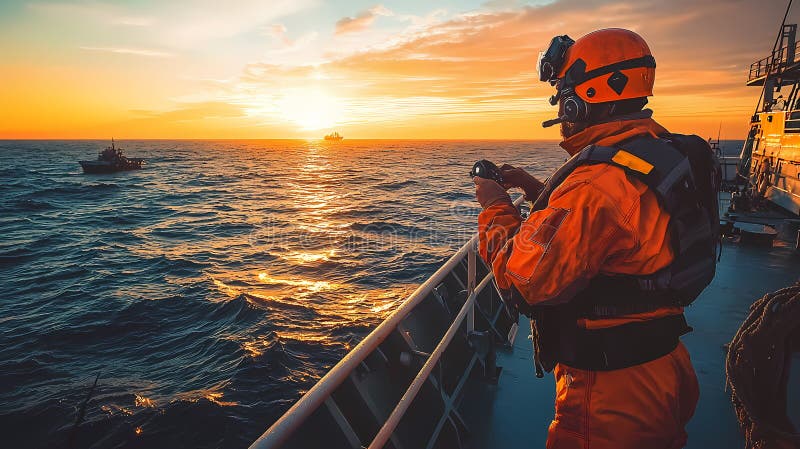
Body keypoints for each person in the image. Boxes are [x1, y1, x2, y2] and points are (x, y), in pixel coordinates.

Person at [473, 28, 720, 449]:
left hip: (610, 394)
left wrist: (495, 205)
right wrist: (538, 189)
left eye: (563, 94)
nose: (561, 108)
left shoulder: (597, 184)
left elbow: (523, 282)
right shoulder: (656, 151)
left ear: (584, 95)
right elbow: (622, 223)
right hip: (663, 367)